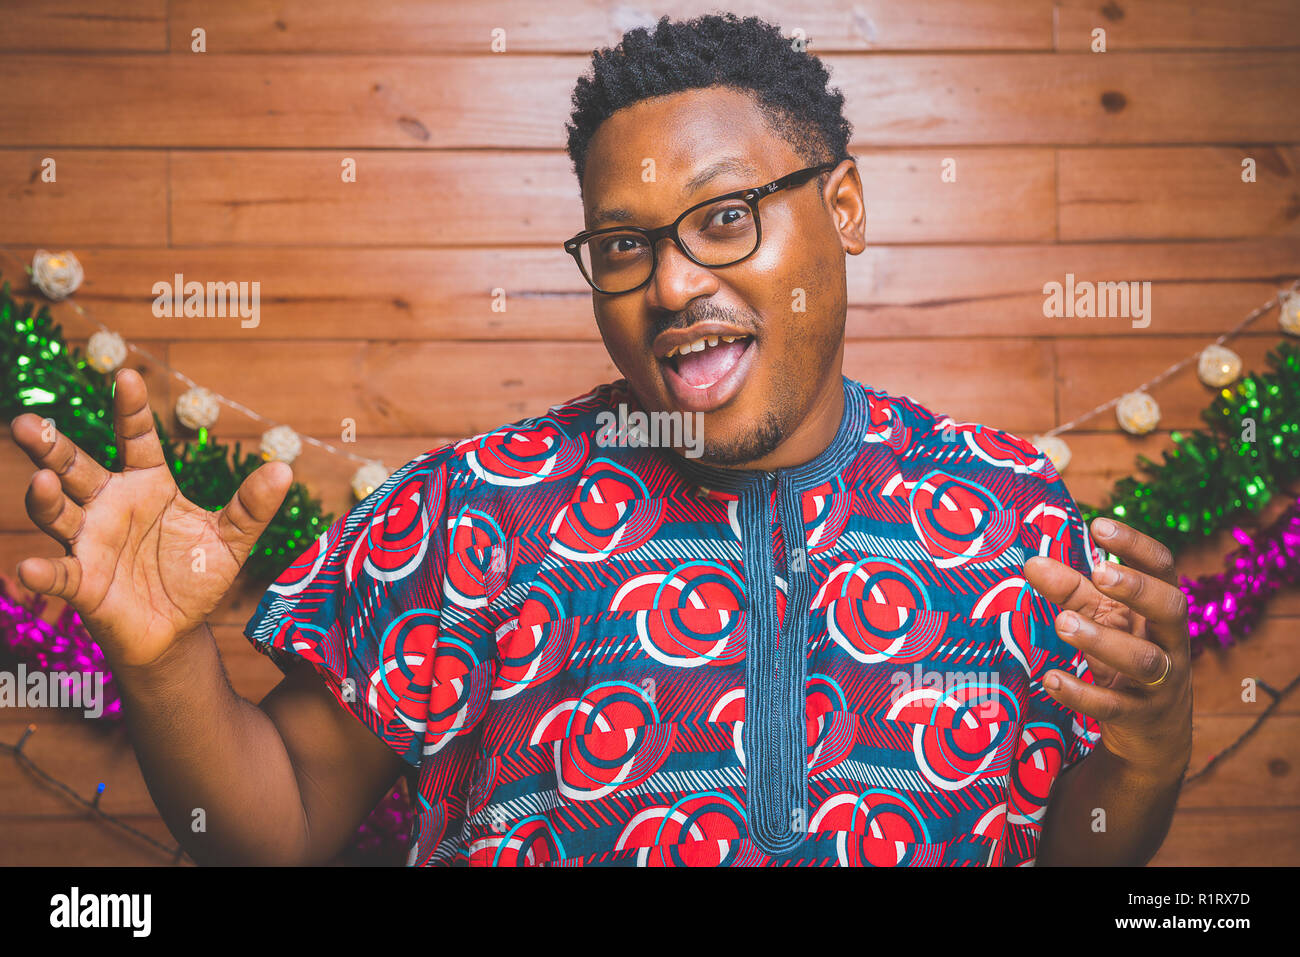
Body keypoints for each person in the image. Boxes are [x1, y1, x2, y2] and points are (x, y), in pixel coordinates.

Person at [8, 13, 1191, 866]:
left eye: (724, 219)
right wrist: (164, 664)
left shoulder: (1010, 517)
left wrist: (1145, 757)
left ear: (844, 209)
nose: (672, 282)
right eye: (622, 245)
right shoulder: (470, 507)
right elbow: (277, 833)